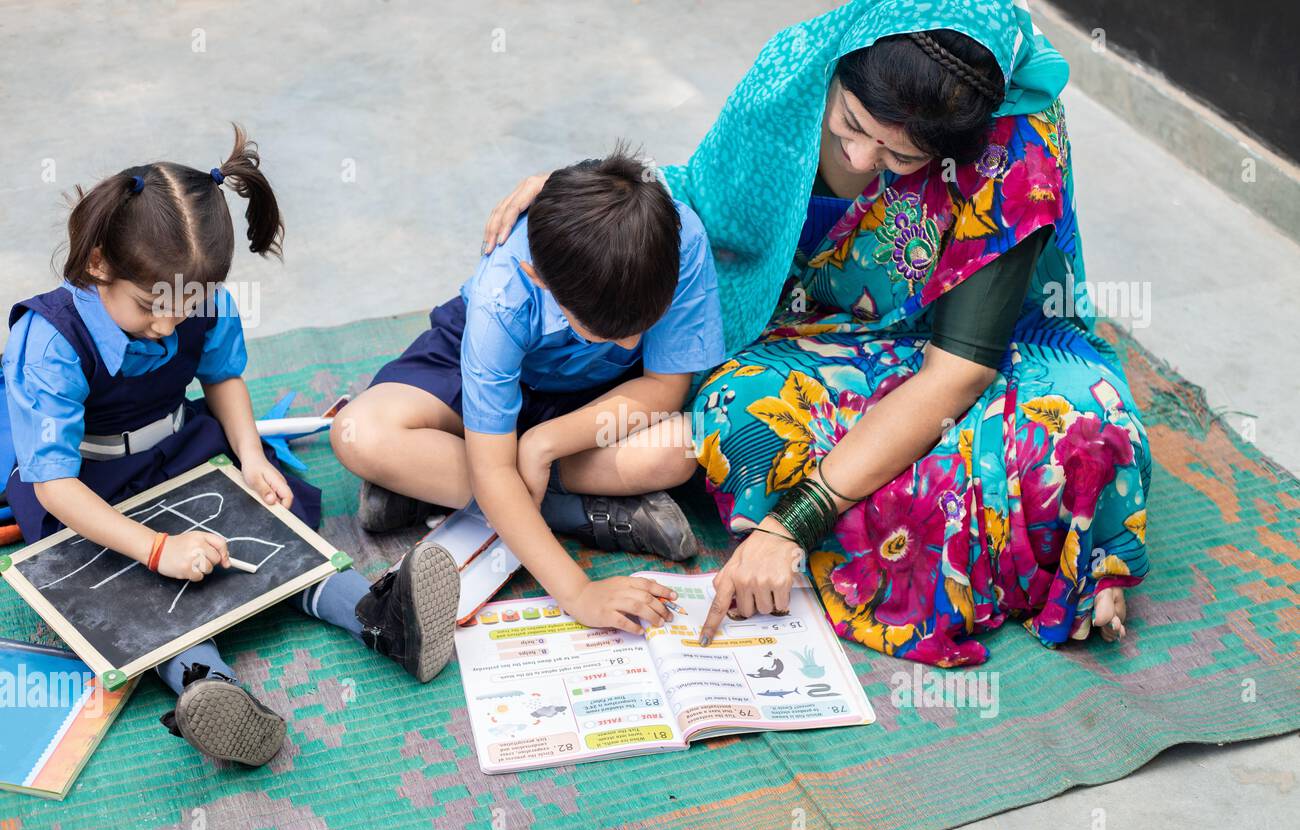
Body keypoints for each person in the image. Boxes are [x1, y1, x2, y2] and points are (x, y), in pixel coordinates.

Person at [481, 0, 1150, 666]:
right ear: (843, 64)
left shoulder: (1016, 136)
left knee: (1093, 432)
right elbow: (710, 197)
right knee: (741, 420)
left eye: (904, 155)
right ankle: (504, 477)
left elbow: (959, 371)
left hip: (979, 356)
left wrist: (793, 523)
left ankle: (518, 480)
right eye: (853, 124)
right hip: (805, 329)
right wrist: (590, 189)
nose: (860, 158)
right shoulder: (798, 67)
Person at [1, 125, 459, 767]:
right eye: (146, 306)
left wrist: (248, 457)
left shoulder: (200, 299)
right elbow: (55, 485)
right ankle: (206, 686)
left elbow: (222, 377)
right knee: (128, 583)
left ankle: (379, 616)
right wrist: (157, 549)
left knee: (262, 520)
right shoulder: (49, 340)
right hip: (85, 481)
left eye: (183, 307)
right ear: (99, 262)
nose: (166, 325)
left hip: (176, 442)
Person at [333, 146, 727, 633]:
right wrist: (579, 592)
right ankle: (571, 510)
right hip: (495, 373)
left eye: (641, 327)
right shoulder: (502, 295)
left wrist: (544, 443)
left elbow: (664, 385)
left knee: (684, 447)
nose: (631, 341)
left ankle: (432, 492)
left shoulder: (678, 238)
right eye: (605, 331)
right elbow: (493, 468)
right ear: (538, 279)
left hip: (596, 398)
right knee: (360, 432)